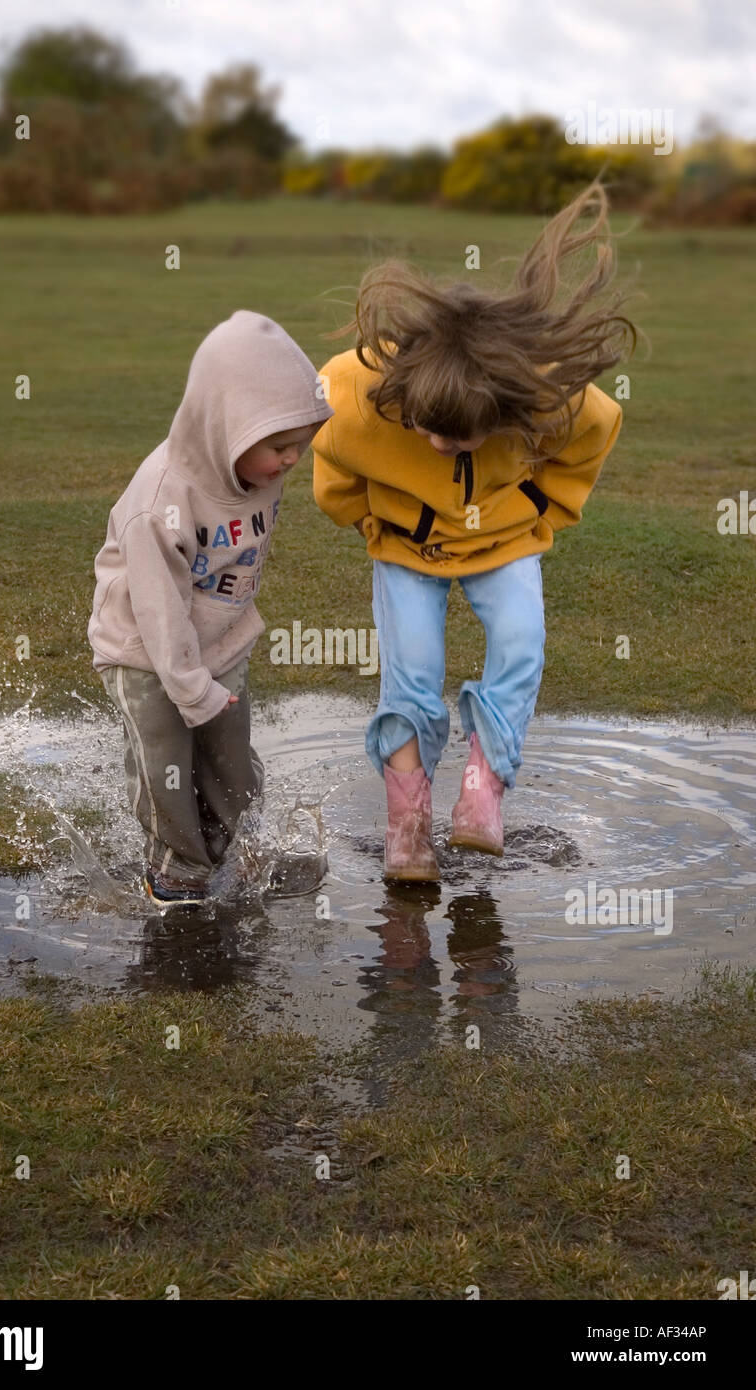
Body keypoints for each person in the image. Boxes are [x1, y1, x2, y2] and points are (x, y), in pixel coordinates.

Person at [312, 182, 636, 882]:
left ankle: (482, 795)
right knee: (413, 674)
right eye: (427, 429)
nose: (438, 446)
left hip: (506, 540)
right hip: (405, 547)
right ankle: (407, 828)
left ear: (503, 412)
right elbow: (327, 455)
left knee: (521, 645)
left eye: (461, 438)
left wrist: (545, 511)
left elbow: (595, 434)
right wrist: (368, 519)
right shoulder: (356, 396)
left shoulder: (544, 394)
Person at [88, 310, 333, 905]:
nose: (292, 460)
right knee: (166, 767)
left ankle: (238, 856)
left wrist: (213, 672)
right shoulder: (160, 504)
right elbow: (159, 612)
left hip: (219, 643)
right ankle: (178, 874)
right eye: (280, 445)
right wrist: (189, 687)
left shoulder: (258, 468)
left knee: (231, 766)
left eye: (300, 444)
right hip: (147, 653)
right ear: (227, 429)